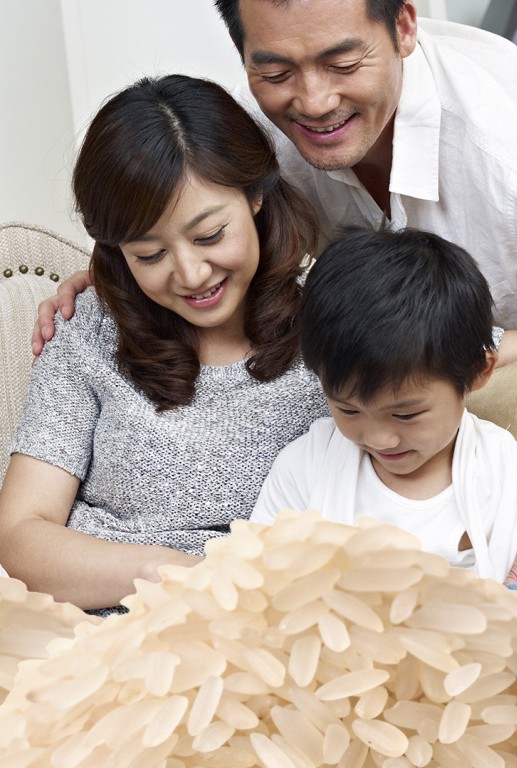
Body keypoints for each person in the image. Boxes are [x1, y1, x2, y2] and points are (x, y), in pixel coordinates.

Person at [32, 0, 517, 625]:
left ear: (405, 25)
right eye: (276, 71)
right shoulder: (262, 140)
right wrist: (120, 269)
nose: (313, 101)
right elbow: (182, 205)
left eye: (343, 62)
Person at [0, 74, 327, 612]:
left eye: (209, 235)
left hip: (270, 625)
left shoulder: (334, 323)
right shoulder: (88, 329)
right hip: (96, 624)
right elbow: (20, 535)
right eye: (149, 255)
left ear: (256, 195)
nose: (192, 274)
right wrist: (170, 574)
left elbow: (480, 365)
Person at [253, 227, 517, 590]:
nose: (380, 439)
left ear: (477, 373)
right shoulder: (304, 468)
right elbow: (256, 581)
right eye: (348, 410)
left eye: (405, 415)